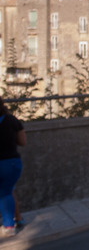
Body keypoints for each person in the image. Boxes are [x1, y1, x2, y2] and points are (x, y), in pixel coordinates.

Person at [0, 98, 25, 237]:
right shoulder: (12, 120)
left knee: (5, 193)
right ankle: (19, 219)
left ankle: (9, 226)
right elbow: (22, 142)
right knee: (8, 190)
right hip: (12, 163)